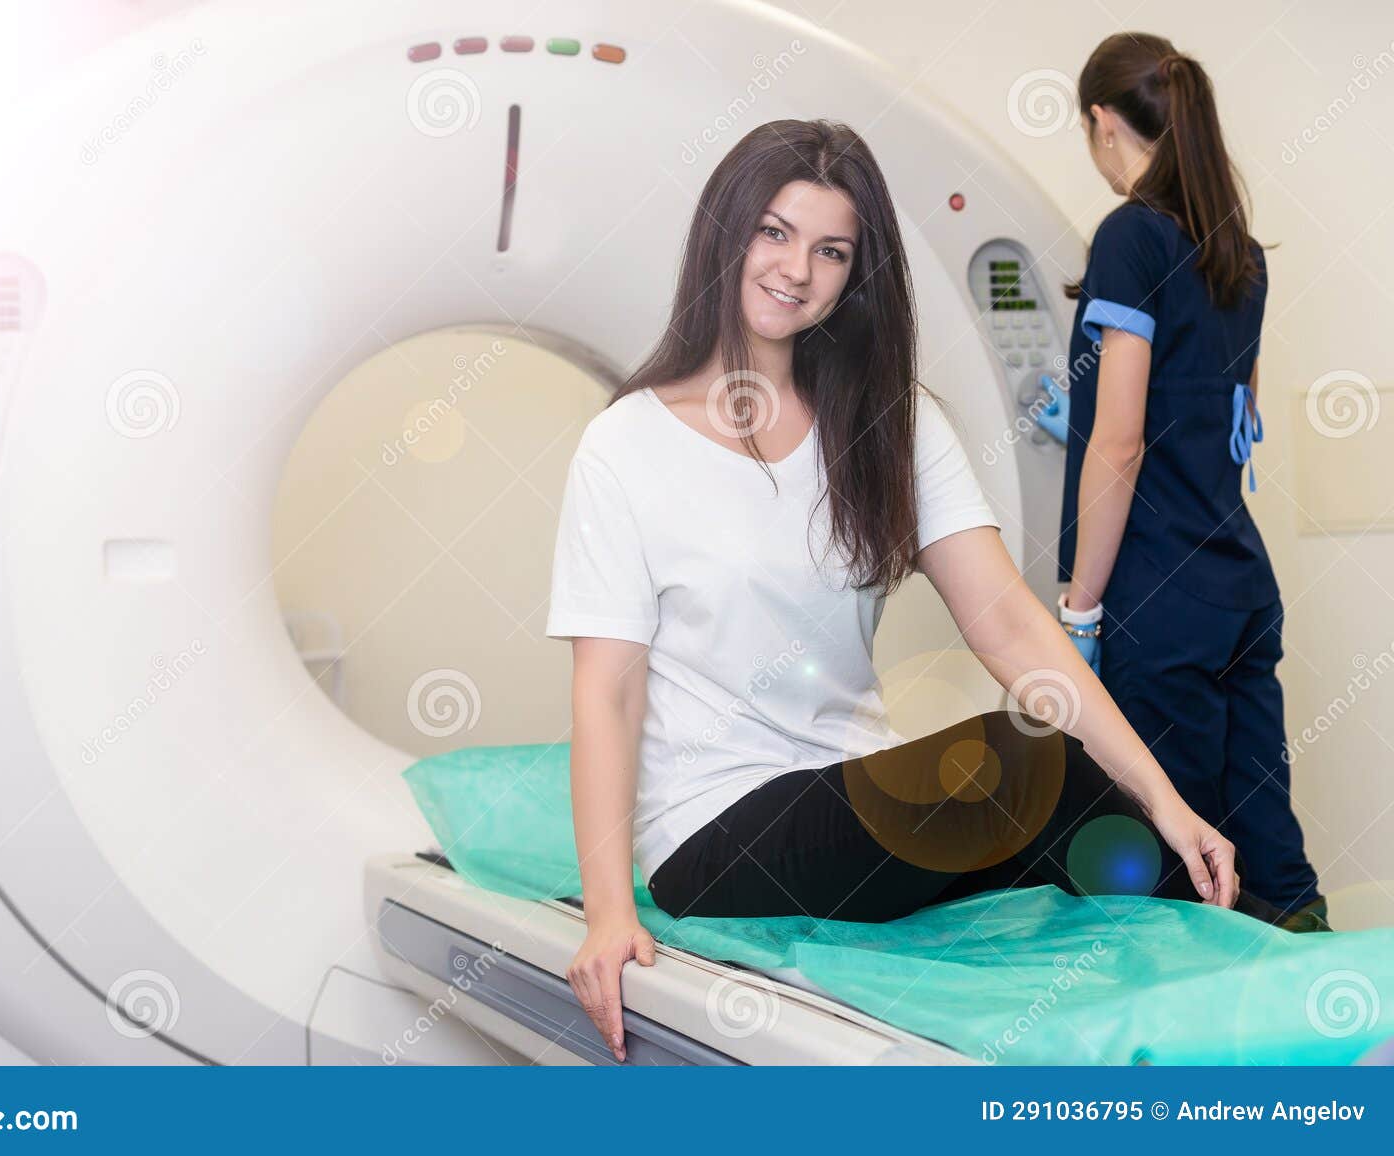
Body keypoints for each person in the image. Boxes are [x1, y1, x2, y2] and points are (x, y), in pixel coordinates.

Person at [545, 117, 1322, 1063]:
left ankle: (1230, 988)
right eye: (775, 232)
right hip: (712, 832)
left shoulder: (893, 427)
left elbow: (1008, 624)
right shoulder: (627, 445)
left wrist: (1164, 798)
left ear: (854, 274)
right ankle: (1239, 981)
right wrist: (606, 915)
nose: (798, 269)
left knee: (1070, 783)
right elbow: (608, 688)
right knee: (1017, 758)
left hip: (846, 796)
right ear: (726, 230)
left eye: (832, 250)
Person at [1033, 33, 1325, 925]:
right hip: (1238, 583)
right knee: (1263, 836)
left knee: (1173, 853)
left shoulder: (1132, 235)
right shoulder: (1241, 252)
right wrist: (1075, 415)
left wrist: (1080, 609)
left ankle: (1181, 1050)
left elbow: (1118, 446)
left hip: (1156, 601)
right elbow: (1234, 421)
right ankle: (1329, 1020)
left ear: (1101, 122)